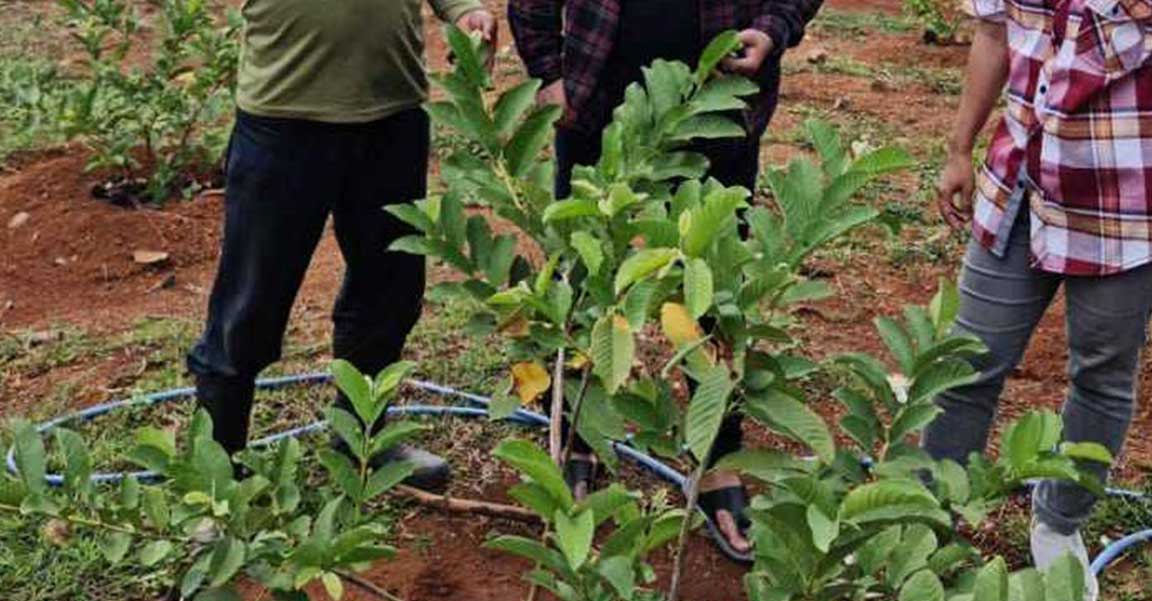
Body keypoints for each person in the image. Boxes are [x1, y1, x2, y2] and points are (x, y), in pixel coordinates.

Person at [509, 0, 823, 555]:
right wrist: (548, 72)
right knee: (586, 276)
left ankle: (716, 459)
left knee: (713, 288)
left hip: (720, 105)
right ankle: (579, 438)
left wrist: (773, 30)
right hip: (596, 100)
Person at [187, 0, 497, 492]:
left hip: (392, 118)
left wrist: (465, 11)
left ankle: (365, 444)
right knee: (249, 303)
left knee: (389, 292)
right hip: (284, 120)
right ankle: (215, 479)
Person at [931, 0, 1152, 601]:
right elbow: (993, 36)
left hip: (1127, 199)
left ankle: (1059, 522)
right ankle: (927, 524)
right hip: (1020, 185)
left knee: (1104, 373)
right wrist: (959, 147)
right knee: (965, 364)